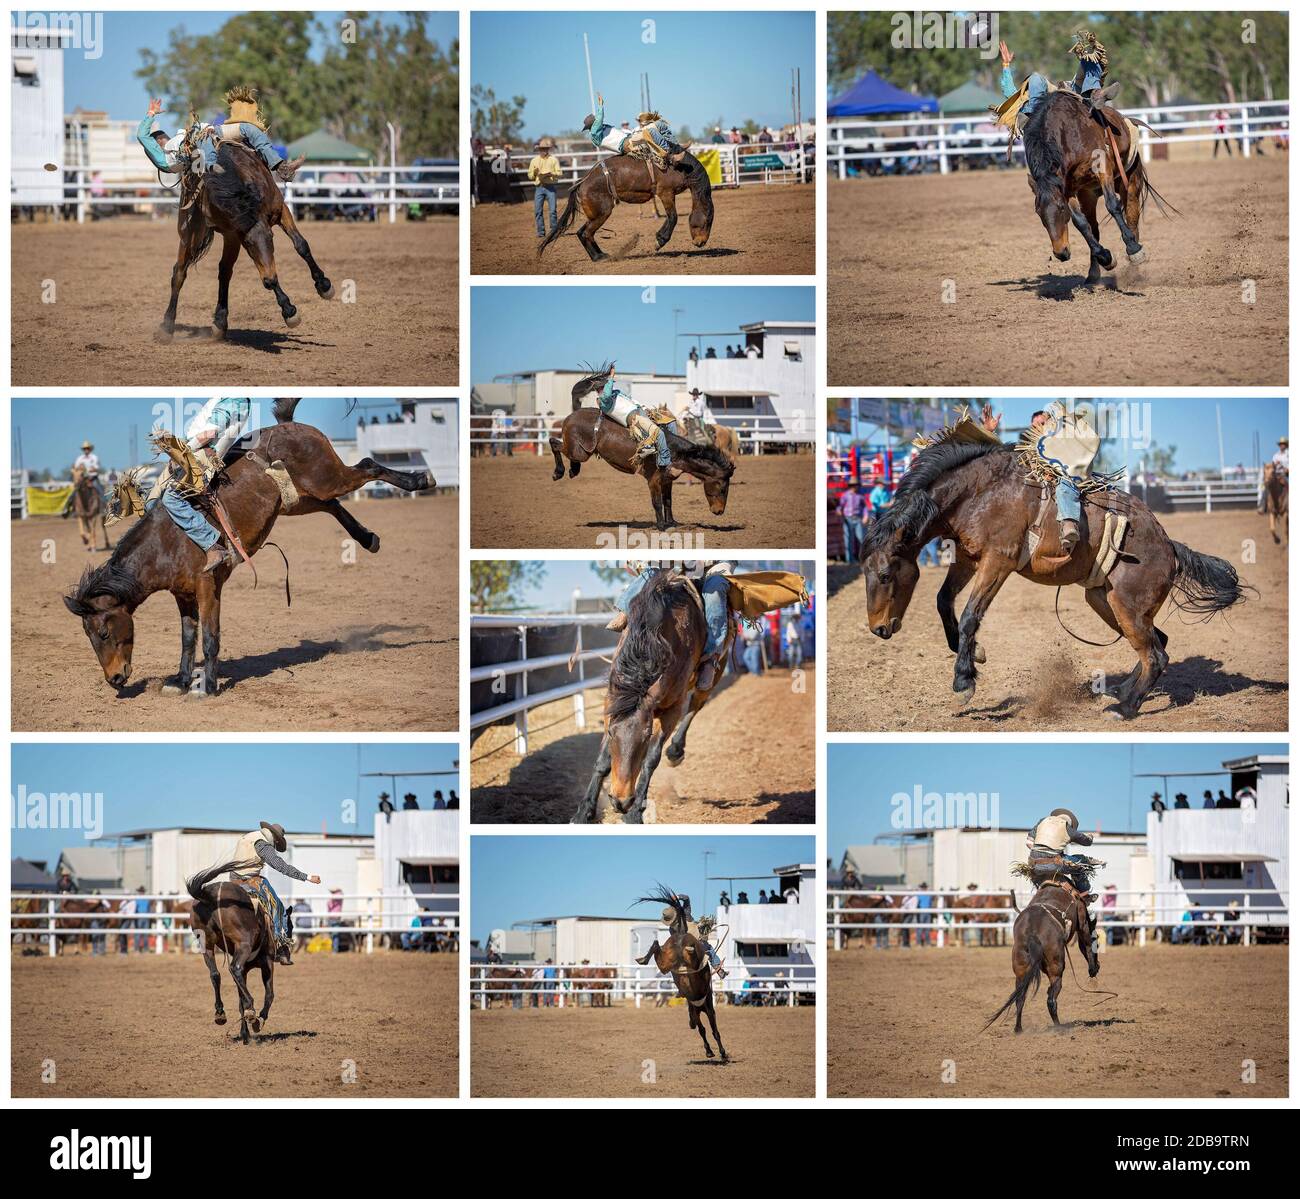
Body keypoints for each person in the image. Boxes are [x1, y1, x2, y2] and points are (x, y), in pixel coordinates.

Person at [140, 396, 252, 574]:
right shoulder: (224, 396)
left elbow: (210, 433)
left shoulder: (235, 397)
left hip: (202, 459)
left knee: (172, 497)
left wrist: (182, 452)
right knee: (150, 501)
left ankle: (212, 546)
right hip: (192, 454)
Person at [608, 560, 735, 691]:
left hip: (715, 562)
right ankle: (625, 610)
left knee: (714, 590)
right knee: (652, 572)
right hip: (686, 561)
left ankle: (710, 660)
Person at [135, 90, 304, 184]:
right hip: (195, 143)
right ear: (158, 141)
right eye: (164, 137)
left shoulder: (177, 139)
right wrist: (151, 113)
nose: (166, 137)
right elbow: (141, 134)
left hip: (207, 132)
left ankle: (281, 168)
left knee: (247, 129)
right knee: (202, 139)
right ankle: (210, 166)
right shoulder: (162, 154)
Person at [226, 821, 322, 966]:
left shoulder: (248, 837)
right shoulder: (263, 844)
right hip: (249, 880)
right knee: (279, 908)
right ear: (275, 838)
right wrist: (307, 877)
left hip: (233, 880)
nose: (275, 847)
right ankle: (280, 948)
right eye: (276, 843)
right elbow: (279, 865)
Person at [996, 29, 1112, 135]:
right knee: (1035, 78)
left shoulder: (1052, 90)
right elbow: (1010, 93)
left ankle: (1095, 95)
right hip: (1047, 104)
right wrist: (1006, 65)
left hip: (1071, 92)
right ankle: (1033, 116)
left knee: (1089, 58)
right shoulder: (1027, 97)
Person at [1024, 807, 1100, 969]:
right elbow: (1087, 841)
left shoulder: (1042, 822)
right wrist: (1090, 837)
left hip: (1034, 864)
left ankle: (1041, 888)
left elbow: (1028, 842)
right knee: (1080, 864)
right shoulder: (1067, 828)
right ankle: (1085, 895)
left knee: (1041, 876)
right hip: (1054, 863)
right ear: (1069, 822)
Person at [1030, 400, 1101, 555]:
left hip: (1069, 476)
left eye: (1043, 422)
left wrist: (1055, 471)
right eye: (1035, 425)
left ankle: (1069, 523)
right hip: (1039, 478)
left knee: (1065, 485)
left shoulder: (1065, 433)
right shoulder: (1032, 446)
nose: (1040, 426)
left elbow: (1074, 456)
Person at [596, 366, 676, 468]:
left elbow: (632, 400)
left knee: (670, 421)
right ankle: (664, 462)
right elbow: (606, 395)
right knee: (658, 434)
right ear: (601, 388)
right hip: (634, 418)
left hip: (642, 411)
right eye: (606, 384)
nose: (609, 385)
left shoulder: (616, 393)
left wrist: (644, 407)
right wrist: (611, 376)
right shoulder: (602, 401)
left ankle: (673, 449)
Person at [581, 94, 676, 169]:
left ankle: (675, 146)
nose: (598, 120)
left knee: (659, 124)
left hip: (630, 138)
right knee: (651, 132)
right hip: (626, 144)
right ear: (593, 125)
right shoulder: (594, 134)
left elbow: (598, 121)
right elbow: (599, 120)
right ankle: (670, 155)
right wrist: (600, 105)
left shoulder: (598, 131)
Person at [662, 894, 726, 979]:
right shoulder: (686, 914)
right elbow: (687, 899)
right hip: (698, 943)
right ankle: (718, 969)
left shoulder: (671, 929)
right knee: (709, 949)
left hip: (683, 948)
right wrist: (678, 897)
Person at [527, 137, 561, 239]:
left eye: (545, 149)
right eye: (542, 149)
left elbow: (559, 173)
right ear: (539, 150)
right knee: (538, 211)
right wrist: (534, 173)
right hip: (539, 187)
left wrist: (551, 173)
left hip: (550, 186)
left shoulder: (553, 159)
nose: (544, 151)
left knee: (552, 211)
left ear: (548, 149)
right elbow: (530, 176)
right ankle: (541, 232)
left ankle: (554, 231)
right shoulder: (534, 161)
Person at [61, 439, 102, 517]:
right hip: (82, 479)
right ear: (83, 450)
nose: (86, 450)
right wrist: (78, 469)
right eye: (84, 448)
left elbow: (96, 468)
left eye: (87, 448)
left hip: (93, 478)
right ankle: (67, 509)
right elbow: (76, 468)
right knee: (74, 492)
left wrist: (86, 469)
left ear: (90, 449)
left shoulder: (94, 457)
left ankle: (104, 509)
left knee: (100, 490)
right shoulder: (80, 458)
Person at [838, 483, 867, 563]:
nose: (856, 487)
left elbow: (864, 506)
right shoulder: (845, 496)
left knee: (861, 538)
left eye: (856, 485)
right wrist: (839, 511)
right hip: (848, 519)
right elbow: (840, 506)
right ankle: (849, 560)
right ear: (851, 486)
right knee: (848, 540)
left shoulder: (860, 495)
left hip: (858, 519)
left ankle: (861, 558)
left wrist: (865, 516)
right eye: (854, 485)